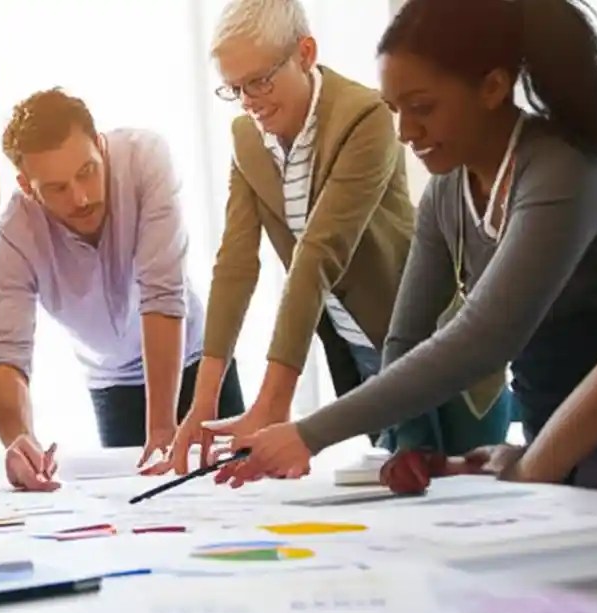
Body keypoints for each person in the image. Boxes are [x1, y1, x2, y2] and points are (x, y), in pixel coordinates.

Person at [213, 0, 597, 492]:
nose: (404, 132)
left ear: (492, 87)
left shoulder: (564, 169)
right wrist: (409, 442)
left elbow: (485, 336)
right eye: (395, 110)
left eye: (422, 108)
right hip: (548, 440)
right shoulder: (448, 192)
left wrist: (309, 434)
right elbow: (404, 339)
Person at [157, 0, 420, 475]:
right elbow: (235, 265)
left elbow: (318, 256)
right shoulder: (247, 138)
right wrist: (202, 405)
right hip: (354, 352)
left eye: (260, 80)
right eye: (236, 88)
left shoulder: (367, 117)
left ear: (305, 53)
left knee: (446, 501)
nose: (250, 101)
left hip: (423, 347)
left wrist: (271, 405)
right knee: (393, 494)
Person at [0, 88, 244, 489]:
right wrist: (20, 441)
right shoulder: (12, 235)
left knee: (233, 496)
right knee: (138, 517)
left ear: (101, 146)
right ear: (25, 184)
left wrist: (161, 426)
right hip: (111, 380)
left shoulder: (146, 159)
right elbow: (7, 356)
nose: (81, 198)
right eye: (56, 188)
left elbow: (162, 292)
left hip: (192, 357)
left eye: (87, 171)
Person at [454, 186, 597, 498]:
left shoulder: (572, 174)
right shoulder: (448, 193)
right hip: (567, 445)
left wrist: (533, 466)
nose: (408, 134)